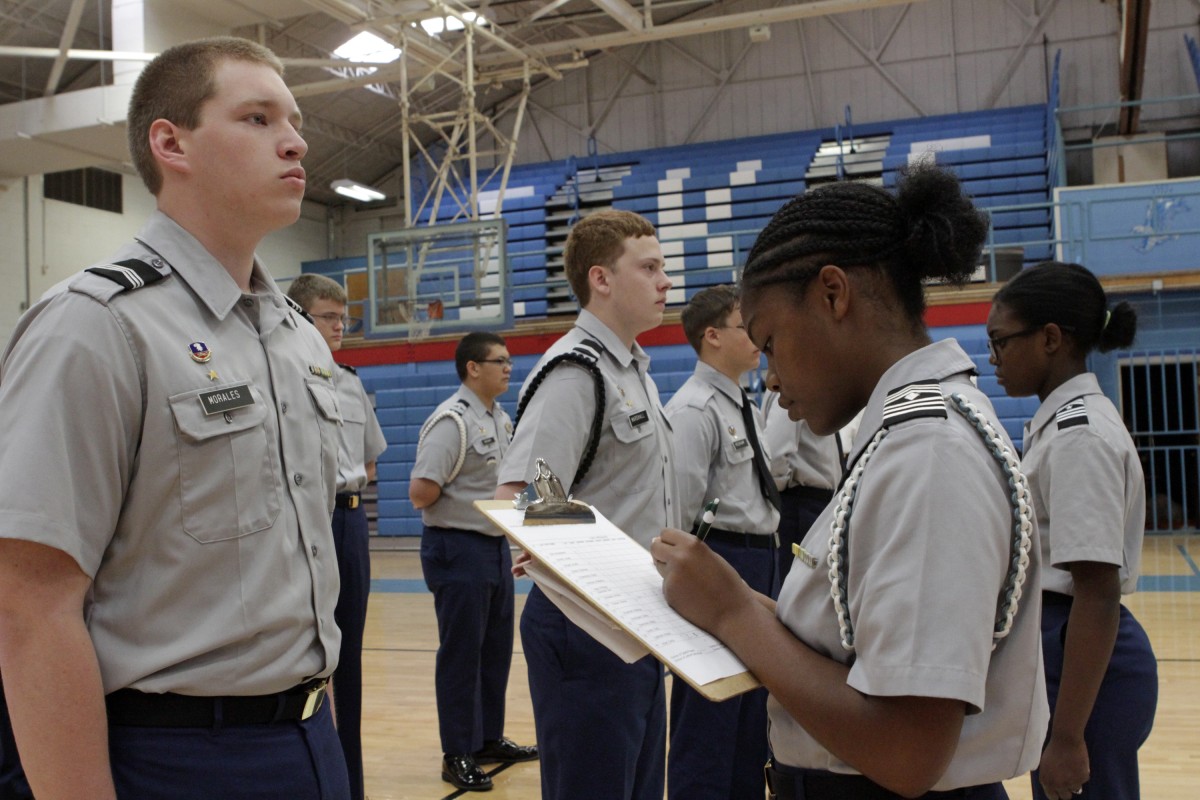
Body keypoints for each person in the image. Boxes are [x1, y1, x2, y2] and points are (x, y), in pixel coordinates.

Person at [0, 38, 350, 799]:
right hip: (172, 755)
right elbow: (30, 605)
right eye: (257, 118)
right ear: (171, 143)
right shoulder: (95, 325)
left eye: (293, 120)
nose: (295, 140)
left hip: (313, 738)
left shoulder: (297, 337)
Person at [651, 163, 1050, 799]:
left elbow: (907, 750)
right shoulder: (908, 433)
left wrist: (733, 615)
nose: (771, 379)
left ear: (834, 295)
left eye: (773, 343)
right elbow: (859, 646)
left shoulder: (930, 452)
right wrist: (757, 611)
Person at [495, 209, 679, 800]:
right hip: (587, 627)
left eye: (664, 268)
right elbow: (524, 501)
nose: (665, 282)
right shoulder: (577, 374)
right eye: (648, 267)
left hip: (635, 623)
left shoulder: (633, 373)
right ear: (601, 279)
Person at [988, 261, 1158, 800]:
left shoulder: (1079, 438)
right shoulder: (1060, 425)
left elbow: (1097, 591)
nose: (993, 359)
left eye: (1001, 342)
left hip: (1086, 662)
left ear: (1051, 339)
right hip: (1065, 650)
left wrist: (1066, 737)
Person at [662, 284, 780, 800]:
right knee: (709, 719)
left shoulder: (743, 403)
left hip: (759, 559)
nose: (757, 336)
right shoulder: (694, 409)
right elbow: (682, 513)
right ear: (712, 336)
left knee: (751, 713)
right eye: (743, 325)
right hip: (720, 559)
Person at [410, 332, 538, 792]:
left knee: (494, 650)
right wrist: (465, 506)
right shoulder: (453, 422)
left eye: (508, 359)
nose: (508, 367)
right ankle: (456, 751)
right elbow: (420, 491)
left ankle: (485, 738)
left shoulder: (499, 418)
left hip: (491, 547)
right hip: (457, 547)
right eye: (499, 361)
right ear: (472, 368)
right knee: (462, 653)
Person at [287, 274, 387, 800]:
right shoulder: (285, 376)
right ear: (301, 317)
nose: (340, 327)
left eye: (343, 318)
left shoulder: (349, 382)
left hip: (348, 521)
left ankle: (352, 784)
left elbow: (367, 459)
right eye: (329, 317)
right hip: (307, 519)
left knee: (349, 660)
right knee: (307, 655)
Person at [761, 390, 844, 581]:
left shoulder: (810, 384)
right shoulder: (790, 387)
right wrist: (780, 492)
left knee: (817, 582)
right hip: (801, 506)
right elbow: (775, 453)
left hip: (815, 504)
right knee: (804, 583)